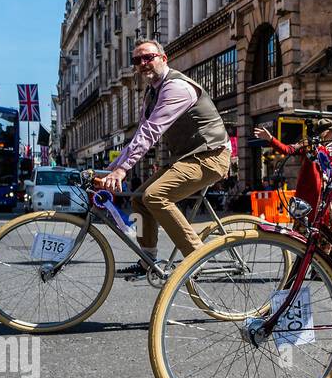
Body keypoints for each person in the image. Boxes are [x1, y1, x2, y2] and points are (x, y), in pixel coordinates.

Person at [95, 39, 231, 275]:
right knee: (139, 199)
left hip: (211, 156)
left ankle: (198, 255)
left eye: (149, 57)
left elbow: (150, 132)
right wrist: (110, 169)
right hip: (188, 158)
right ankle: (148, 261)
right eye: (137, 60)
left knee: (155, 196)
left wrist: (122, 169)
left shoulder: (176, 88)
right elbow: (139, 135)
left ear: (163, 58)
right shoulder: (151, 94)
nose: (143, 64)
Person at [253, 118, 332, 210]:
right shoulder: (309, 145)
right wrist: (270, 138)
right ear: (326, 132)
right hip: (309, 195)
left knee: (328, 222)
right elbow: (287, 150)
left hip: (325, 195)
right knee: (307, 222)